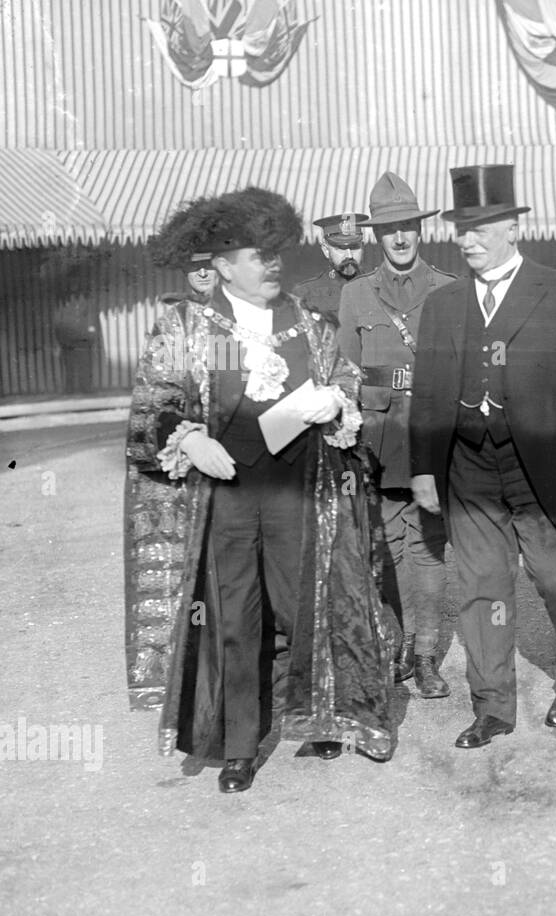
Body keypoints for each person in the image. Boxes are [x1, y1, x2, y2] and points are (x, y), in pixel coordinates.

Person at [124, 186, 392, 792]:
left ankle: (321, 715)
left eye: (276, 254)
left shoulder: (308, 322)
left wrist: (337, 399)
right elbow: (154, 404)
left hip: (301, 492)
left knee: (309, 602)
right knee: (235, 617)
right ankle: (239, 744)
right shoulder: (185, 326)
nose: (272, 266)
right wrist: (188, 439)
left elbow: (348, 379)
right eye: (256, 256)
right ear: (221, 266)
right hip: (225, 501)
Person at [409, 164, 556, 749]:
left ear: (509, 228)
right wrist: (423, 465)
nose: (465, 240)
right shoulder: (444, 304)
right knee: (481, 586)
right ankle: (492, 707)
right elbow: (427, 392)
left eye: (477, 228)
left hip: (544, 466)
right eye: (459, 229)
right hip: (468, 465)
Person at [339, 174, 456, 698]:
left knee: (429, 548)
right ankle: (397, 645)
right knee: (386, 546)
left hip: (431, 430)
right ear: (377, 237)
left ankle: (426, 654)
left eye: (407, 227)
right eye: (389, 230)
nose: (401, 238)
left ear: (419, 230)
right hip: (379, 433)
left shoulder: (449, 289)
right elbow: (345, 367)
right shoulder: (355, 294)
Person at [295, 211, 368, 318]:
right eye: (340, 248)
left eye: (354, 247)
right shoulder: (306, 294)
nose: (349, 255)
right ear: (326, 250)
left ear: (362, 246)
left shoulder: (377, 288)